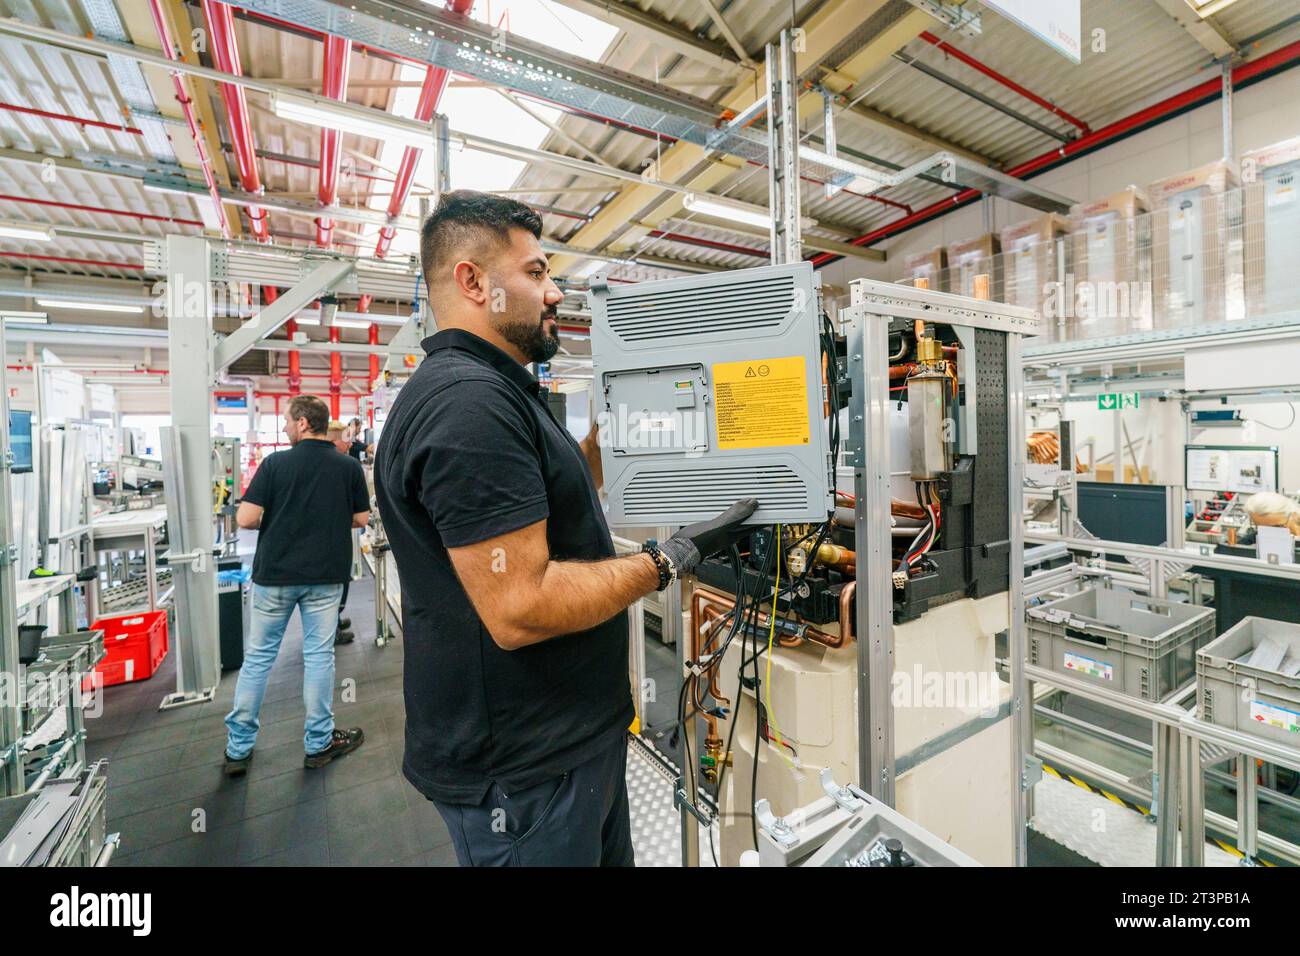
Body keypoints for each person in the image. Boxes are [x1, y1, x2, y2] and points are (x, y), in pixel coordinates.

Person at [373, 190, 755, 867]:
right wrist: (668, 561)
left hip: (568, 746)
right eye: (536, 272)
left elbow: (542, 497)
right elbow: (522, 606)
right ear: (473, 281)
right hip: (525, 775)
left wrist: (617, 436)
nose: (554, 292)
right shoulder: (469, 407)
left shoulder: (499, 390)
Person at [224, 395, 371, 776]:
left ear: (304, 423)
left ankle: (238, 749)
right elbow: (360, 519)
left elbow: (245, 518)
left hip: (276, 575)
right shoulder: (347, 467)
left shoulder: (275, 464)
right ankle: (318, 743)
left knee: (257, 659)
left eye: (288, 421)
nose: (286, 427)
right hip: (325, 576)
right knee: (319, 657)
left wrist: (281, 515)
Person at [324, 420, 358, 645]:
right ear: (336, 440)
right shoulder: (345, 466)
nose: (350, 444)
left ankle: (333, 622)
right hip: (333, 539)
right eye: (347, 439)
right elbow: (361, 517)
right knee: (333, 585)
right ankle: (330, 631)